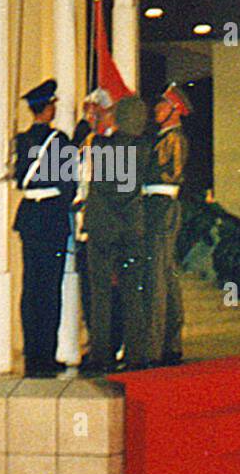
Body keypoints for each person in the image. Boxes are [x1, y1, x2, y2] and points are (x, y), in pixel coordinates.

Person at [81, 95, 150, 373]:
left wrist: (96, 118)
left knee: (100, 294)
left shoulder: (100, 145)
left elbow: (89, 139)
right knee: (132, 293)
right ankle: (135, 354)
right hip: (131, 227)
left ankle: (101, 354)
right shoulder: (144, 148)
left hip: (102, 229)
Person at [11, 79, 74, 376]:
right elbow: (68, 184)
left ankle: (31, 354)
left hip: (29, 218)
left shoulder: (22, 141)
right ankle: (45, 355)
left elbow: (19, 178)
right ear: (47, 108)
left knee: (30, 288)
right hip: (51, 218)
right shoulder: (59, 141)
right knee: (49, 290)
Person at [143, 82, 191, 367]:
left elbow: (162, 173)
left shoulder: (172, 139)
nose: (157, 110)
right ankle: (169, 342)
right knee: (165, 275)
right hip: (159, 205)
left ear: (175, 110)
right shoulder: (163, 137)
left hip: (160, 206)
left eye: (163, 105)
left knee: (157, 278)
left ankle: (155, 346)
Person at [71, 88, 113, 332]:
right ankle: (95, 335)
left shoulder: (112, 143)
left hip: (106, 223)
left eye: (94, 111)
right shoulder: (83, 141)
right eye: (87, 111)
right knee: (88, 285)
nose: (90, 116)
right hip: (84, 222)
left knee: (108, 286)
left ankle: (112, 340)